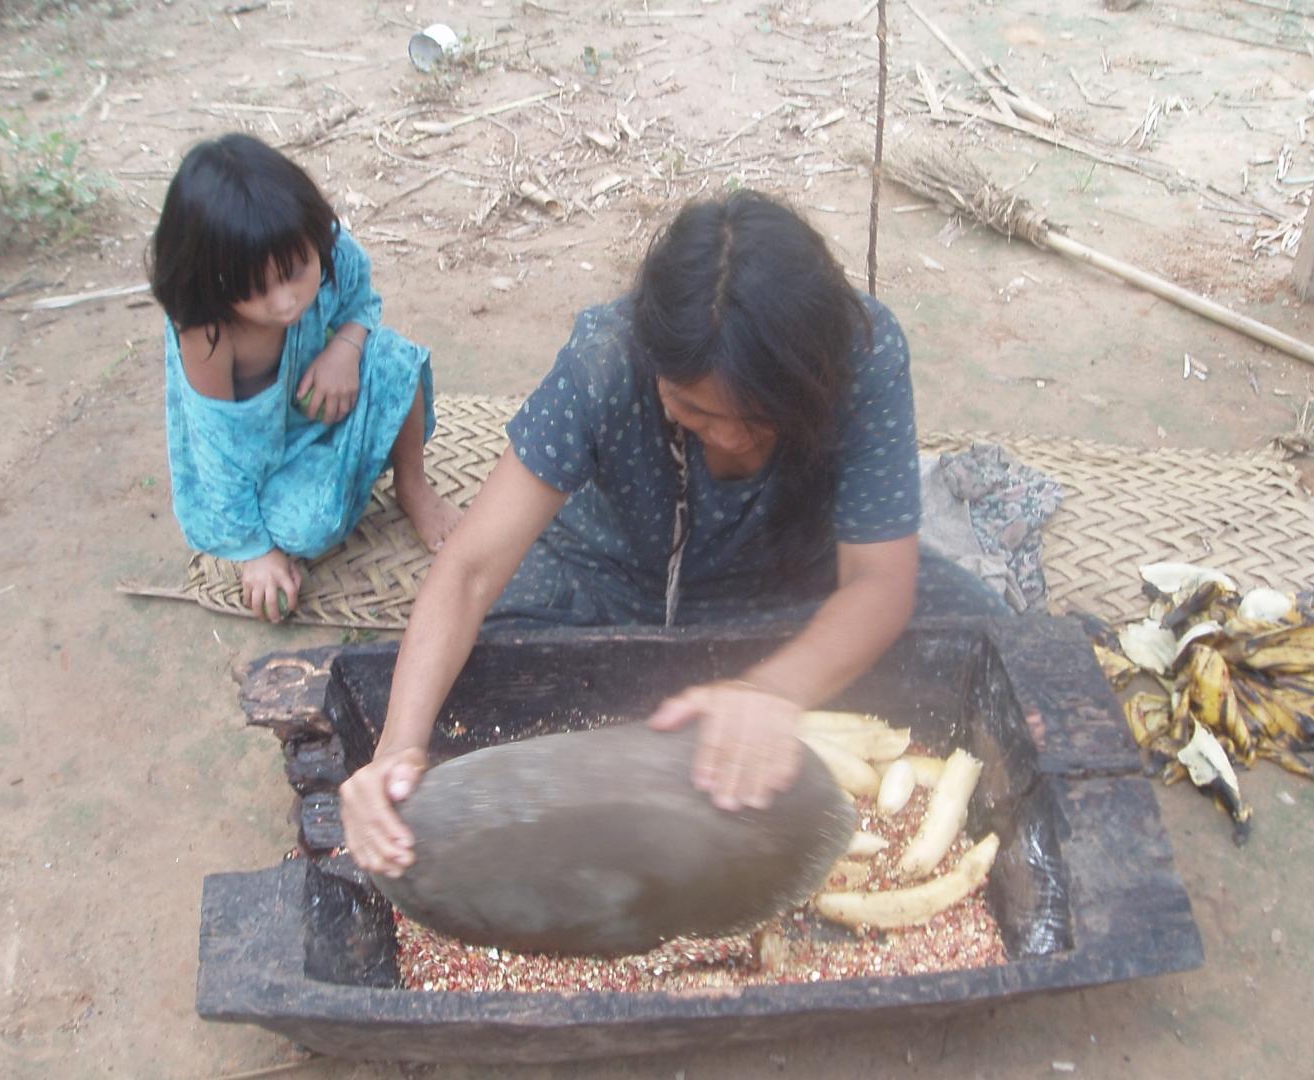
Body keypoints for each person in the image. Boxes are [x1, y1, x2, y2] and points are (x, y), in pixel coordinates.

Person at [341, 189, 1007, 878]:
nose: (729, 437)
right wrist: (395, 748)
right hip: (612, 587)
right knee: (481, 674)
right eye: (693, 407)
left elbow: (876, 581)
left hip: (795, 587)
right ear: (653, 362)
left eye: (758, 416)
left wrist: (773, 691)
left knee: (987, 634)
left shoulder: (862, 352)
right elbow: (471, 568)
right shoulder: (604, 360)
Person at [149, 133, 461, 622]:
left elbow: (363, 303)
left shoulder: (328, 246)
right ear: (209, 284)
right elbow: (217, 446)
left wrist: (344, 348)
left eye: (296, 272)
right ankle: (329, 485)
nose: (285, 301)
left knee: (396, 357)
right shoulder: (207, 332)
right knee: (307, 528)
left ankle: (412, 483)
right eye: (255, 290)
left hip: (321, 405)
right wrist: (254, 550)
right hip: (261, 463)